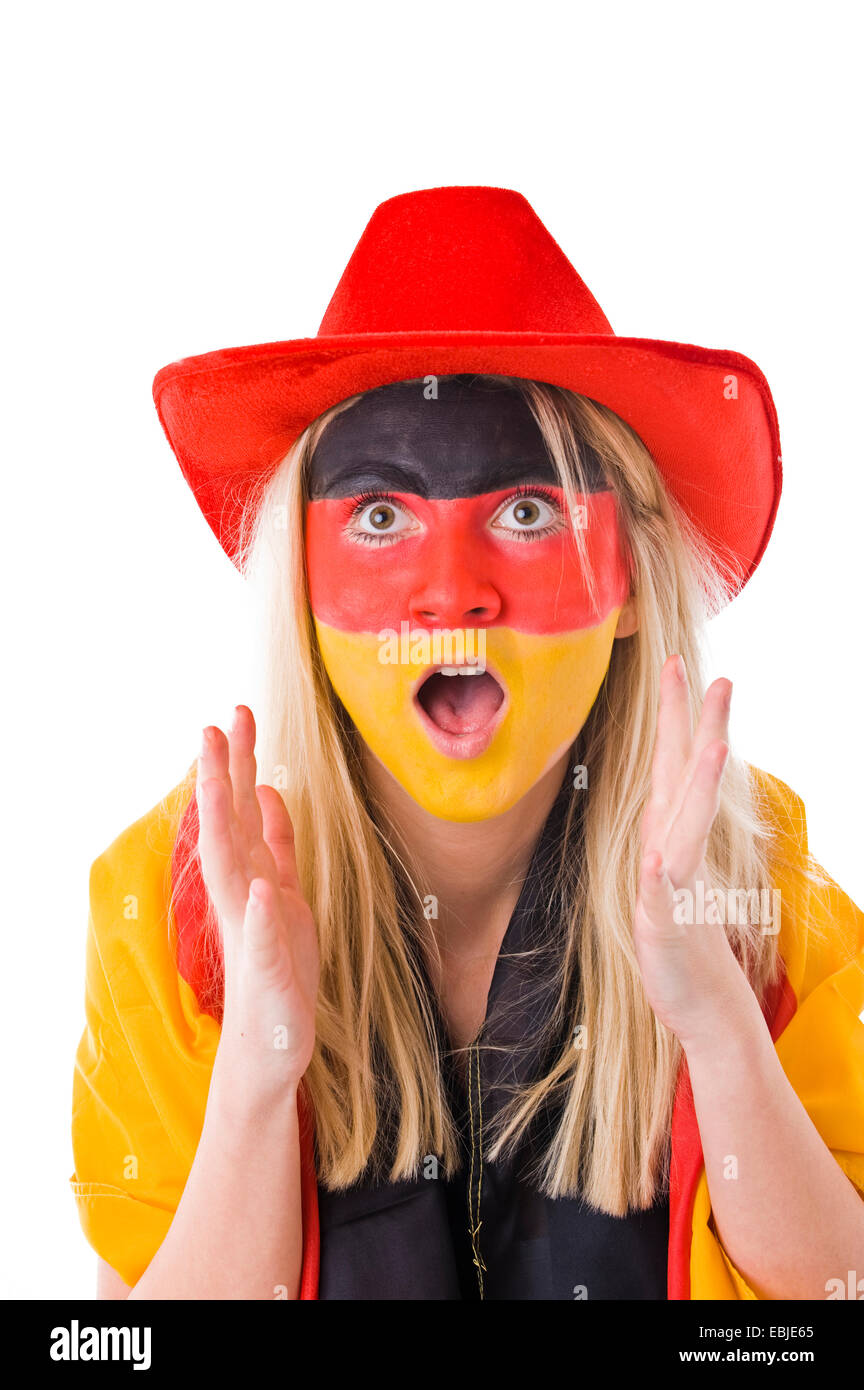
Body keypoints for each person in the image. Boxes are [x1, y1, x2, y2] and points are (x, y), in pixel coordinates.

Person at [70, 187, 864, 1301]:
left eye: (528, 510)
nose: (450, 593)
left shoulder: (756, 875)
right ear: (301, 585)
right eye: (381, 516)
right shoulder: (180, 895)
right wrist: (257, 1076)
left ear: (630, 583)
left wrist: (718, 1020)